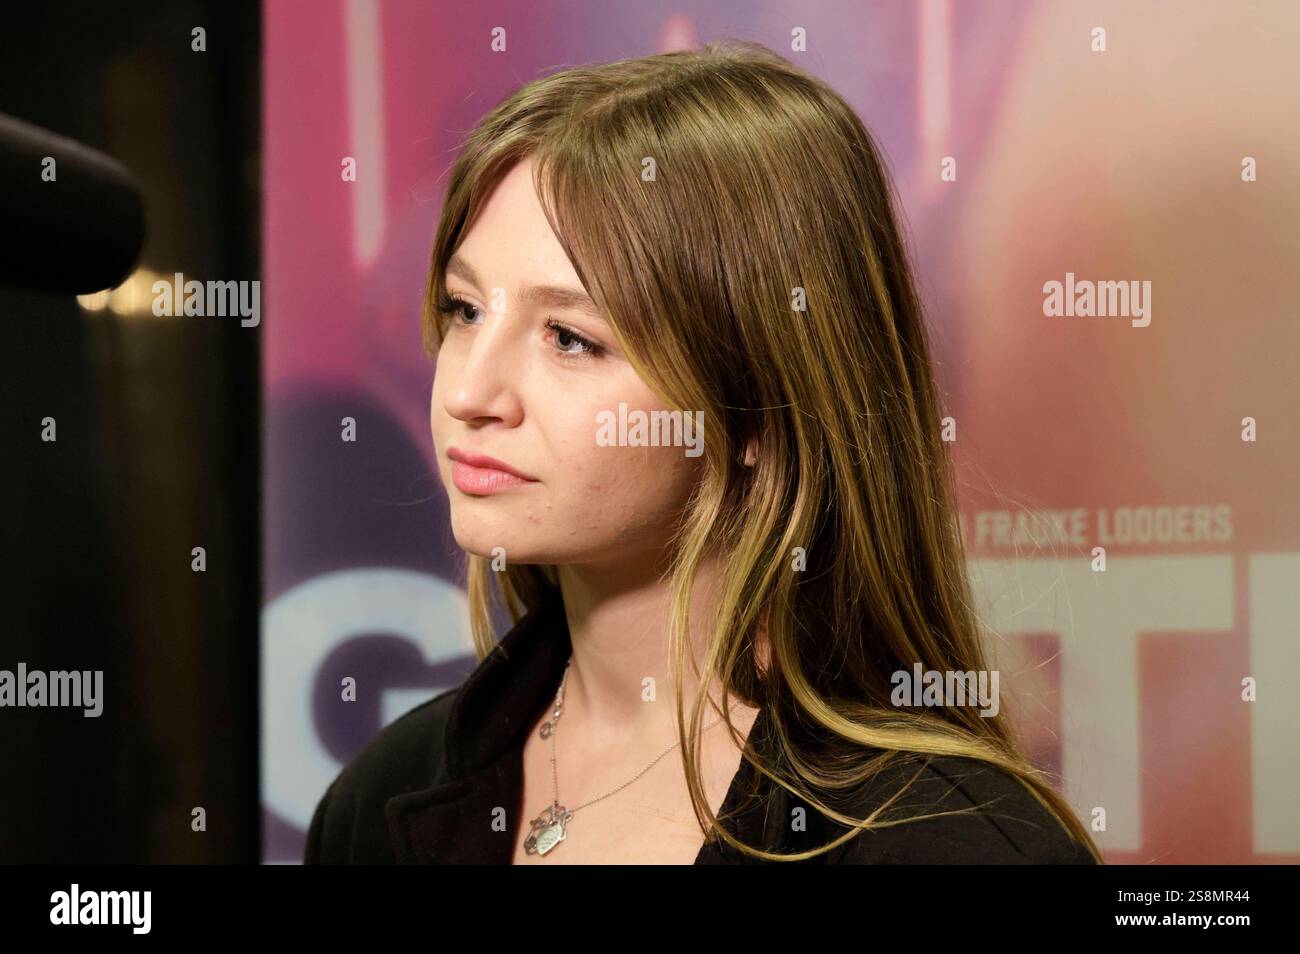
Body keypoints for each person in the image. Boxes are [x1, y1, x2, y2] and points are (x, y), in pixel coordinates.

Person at [305, 39, 1103, 865]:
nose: (470, 392)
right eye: (466, 310)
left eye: (571, 338)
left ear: (762, 406)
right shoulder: (381, 799)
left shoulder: (954, 845)